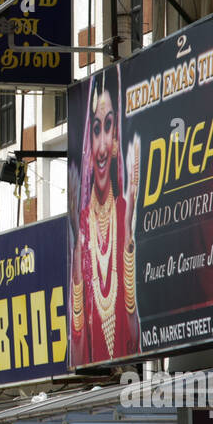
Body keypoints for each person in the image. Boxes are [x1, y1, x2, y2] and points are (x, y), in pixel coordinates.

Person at [70, 67, 141, 363]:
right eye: (95, 128)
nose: (101, 146)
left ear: (116, 140)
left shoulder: (124, 213)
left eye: (108, 126)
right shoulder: (83, 225)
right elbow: (77, 352)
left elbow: (136, 338)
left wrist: (126, 244)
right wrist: (76, 244)